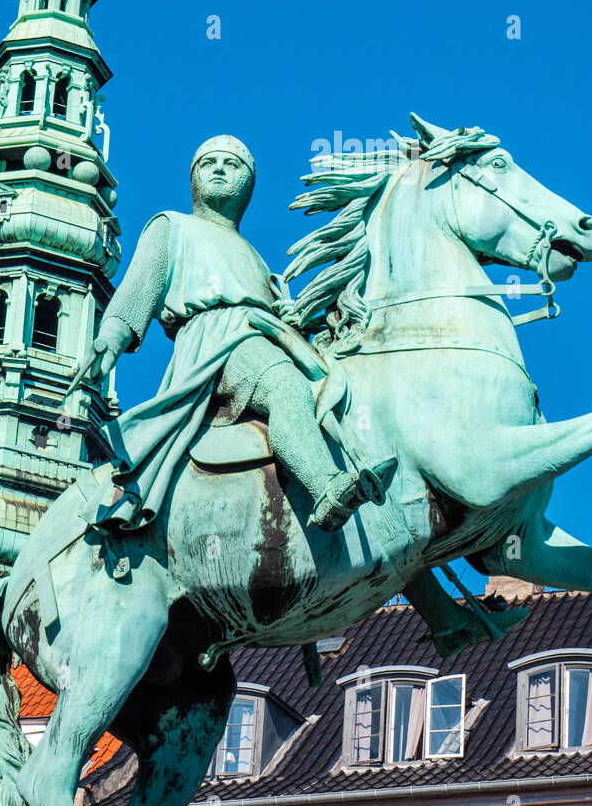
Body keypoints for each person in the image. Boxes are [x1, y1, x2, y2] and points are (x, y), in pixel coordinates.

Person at [76, 135, 391, 534]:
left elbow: (277, 314)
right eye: (208, 163)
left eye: (233, 164)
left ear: (249, 186)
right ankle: (328, 490)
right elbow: (137, 292)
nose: (220, 169)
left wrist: (293, 318)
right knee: (285, 386)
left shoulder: (256, 255)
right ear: (193, 179)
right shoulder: (172, 226)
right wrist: (111, 339)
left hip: (266, 338)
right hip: (217, 341)